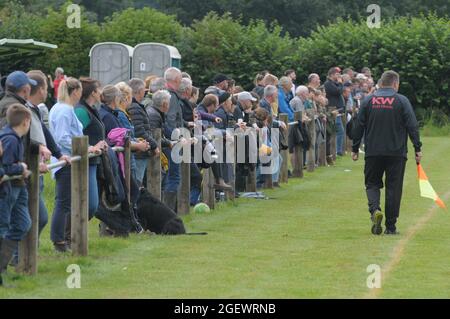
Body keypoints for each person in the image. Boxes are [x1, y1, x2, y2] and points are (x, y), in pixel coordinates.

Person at [352, 70, 422, 236]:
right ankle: (391, 227)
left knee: (372, 184)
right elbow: (412, 125)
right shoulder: (401, 100)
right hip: (396, 153)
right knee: (393, 188)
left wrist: (355, 148)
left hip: (373, 152)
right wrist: (417, 147)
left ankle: (375, 210)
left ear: (380, 83)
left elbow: (358, 125)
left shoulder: (368, 101)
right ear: (395, 84)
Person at [49, 78, 105, 252]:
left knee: (66, 202)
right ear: (76, 92)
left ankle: (63, 238)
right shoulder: (65, 110)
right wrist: (88, 148)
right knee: (64, 202)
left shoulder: (60, 108)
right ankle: (59, 240)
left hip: (67, 159)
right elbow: (63, 138)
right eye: (80, 90)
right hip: (66, 160)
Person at [27, 71, 71, 237]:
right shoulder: (22, 109)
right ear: (40, 90)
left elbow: (44, 133)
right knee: (36, 217)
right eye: (46, 88)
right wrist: (38, 150)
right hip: (27, 167)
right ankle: (19, 258)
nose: (48, 91)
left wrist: (59, 155)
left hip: (37, 167)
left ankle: (24, 257)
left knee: (36, 218)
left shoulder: (35, 109)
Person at [0, 104, 32, 286]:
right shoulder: (10, 140)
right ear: (26, 121)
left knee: (22, 223)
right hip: (8, 188)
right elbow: (5, 167)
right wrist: (21, 168)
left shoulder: (14, 137)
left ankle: (2, 265)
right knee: (3, 228)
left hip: (18, 187)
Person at [127, 78, 159, 187]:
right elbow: (139, 131)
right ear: (140, 91)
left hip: (140, 150)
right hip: (139, 153)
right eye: (144, 91)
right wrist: (154, 145)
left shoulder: (135, 106)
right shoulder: (135, 107)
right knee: (137, 184)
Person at [324, 67, 345, 156]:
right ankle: (336, 151)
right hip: (333, 110)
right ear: (332, 74)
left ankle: (338, 151)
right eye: (337, 74)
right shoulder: (328, 84)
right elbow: (338, 91)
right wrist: (340, 83)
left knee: (340, 131)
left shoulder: (334, 83)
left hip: (337, 110)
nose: (339, 76)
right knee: (337, 131)